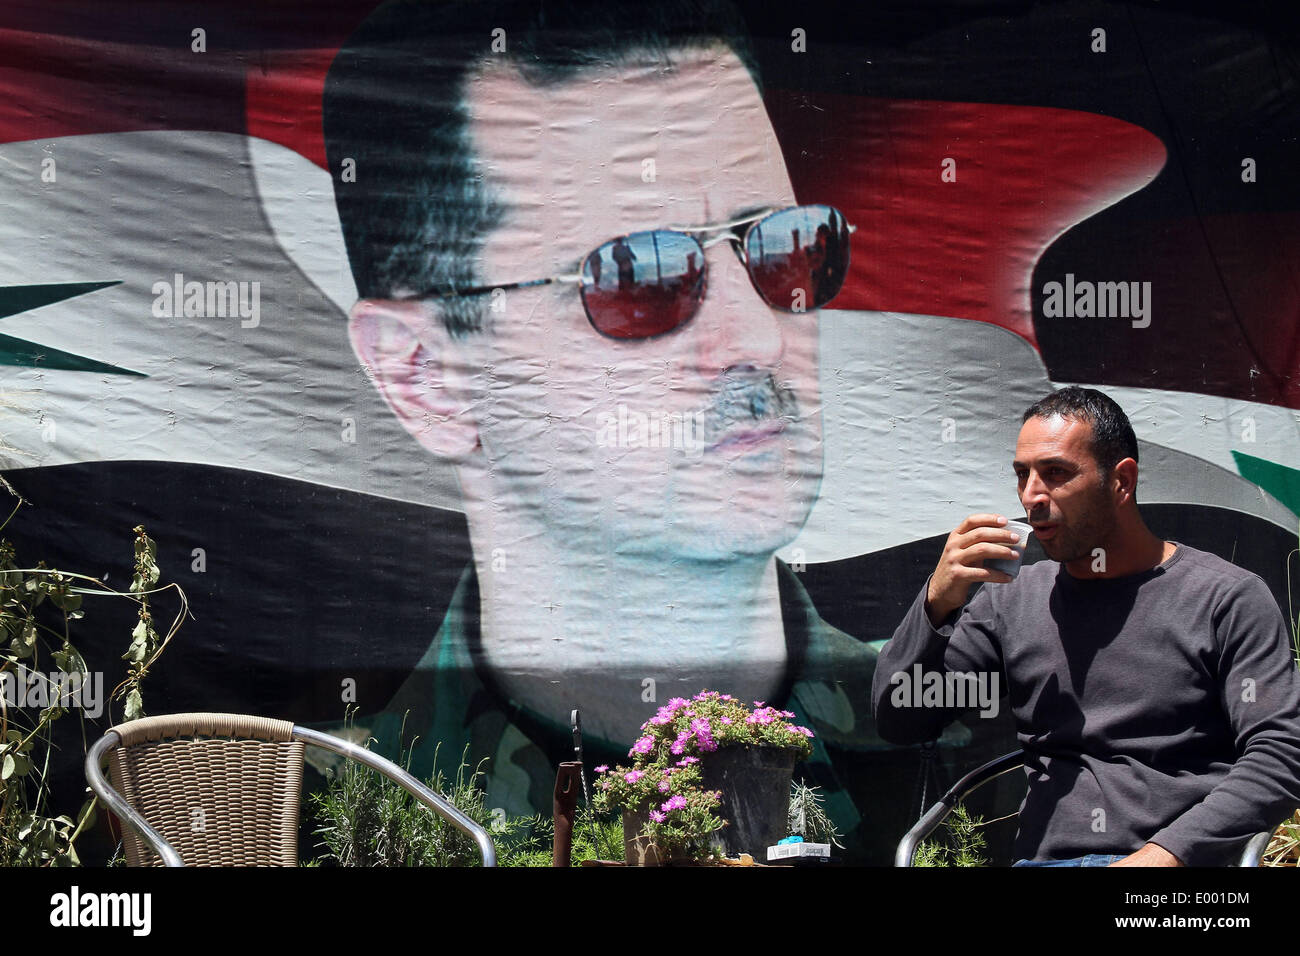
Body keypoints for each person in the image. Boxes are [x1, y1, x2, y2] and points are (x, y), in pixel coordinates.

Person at [321, 0, 887, 845]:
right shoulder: (351, 827)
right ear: (426, 375)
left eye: (780, 246)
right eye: (639, 278)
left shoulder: (970, 763)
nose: (760, 339)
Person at [873, 386, 1300, 866]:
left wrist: (1162, 856)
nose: (1032, 496)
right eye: (1022, 476)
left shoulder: (1225, 598)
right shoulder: (1011, 601)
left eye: (1055, 474)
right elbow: (901, 718)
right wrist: (938, 599)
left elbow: (1281, 755)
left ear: (1121, 481)